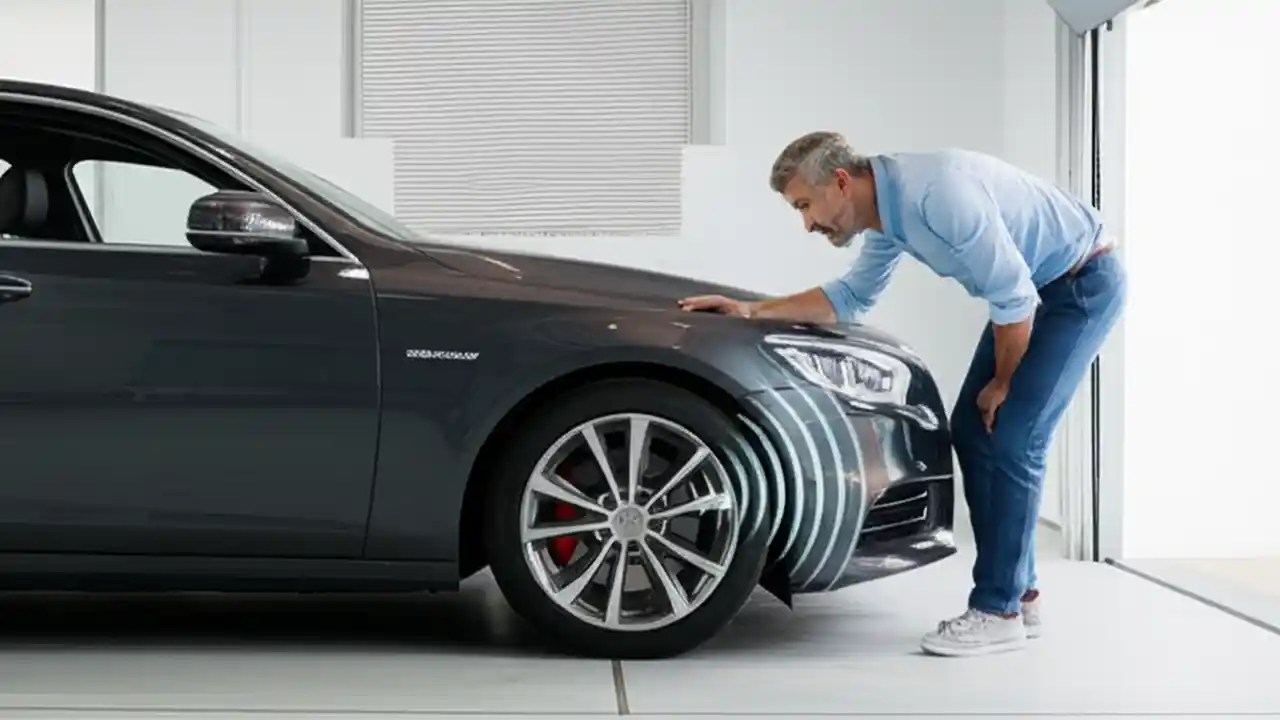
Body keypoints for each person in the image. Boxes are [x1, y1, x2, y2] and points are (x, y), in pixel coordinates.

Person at [678, 131, 1127, 657]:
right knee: (971, 431)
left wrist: (1004, 384)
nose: (807, 224)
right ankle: (1019, 592)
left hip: (1079, 286)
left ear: (840, 182)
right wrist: (751, 310)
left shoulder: (937, 195)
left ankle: (998, 610)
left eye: (804, 205)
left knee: (1013, 437)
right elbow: (850, 297)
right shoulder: (889, 214)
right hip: (1033, 290)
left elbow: (1014, 298)